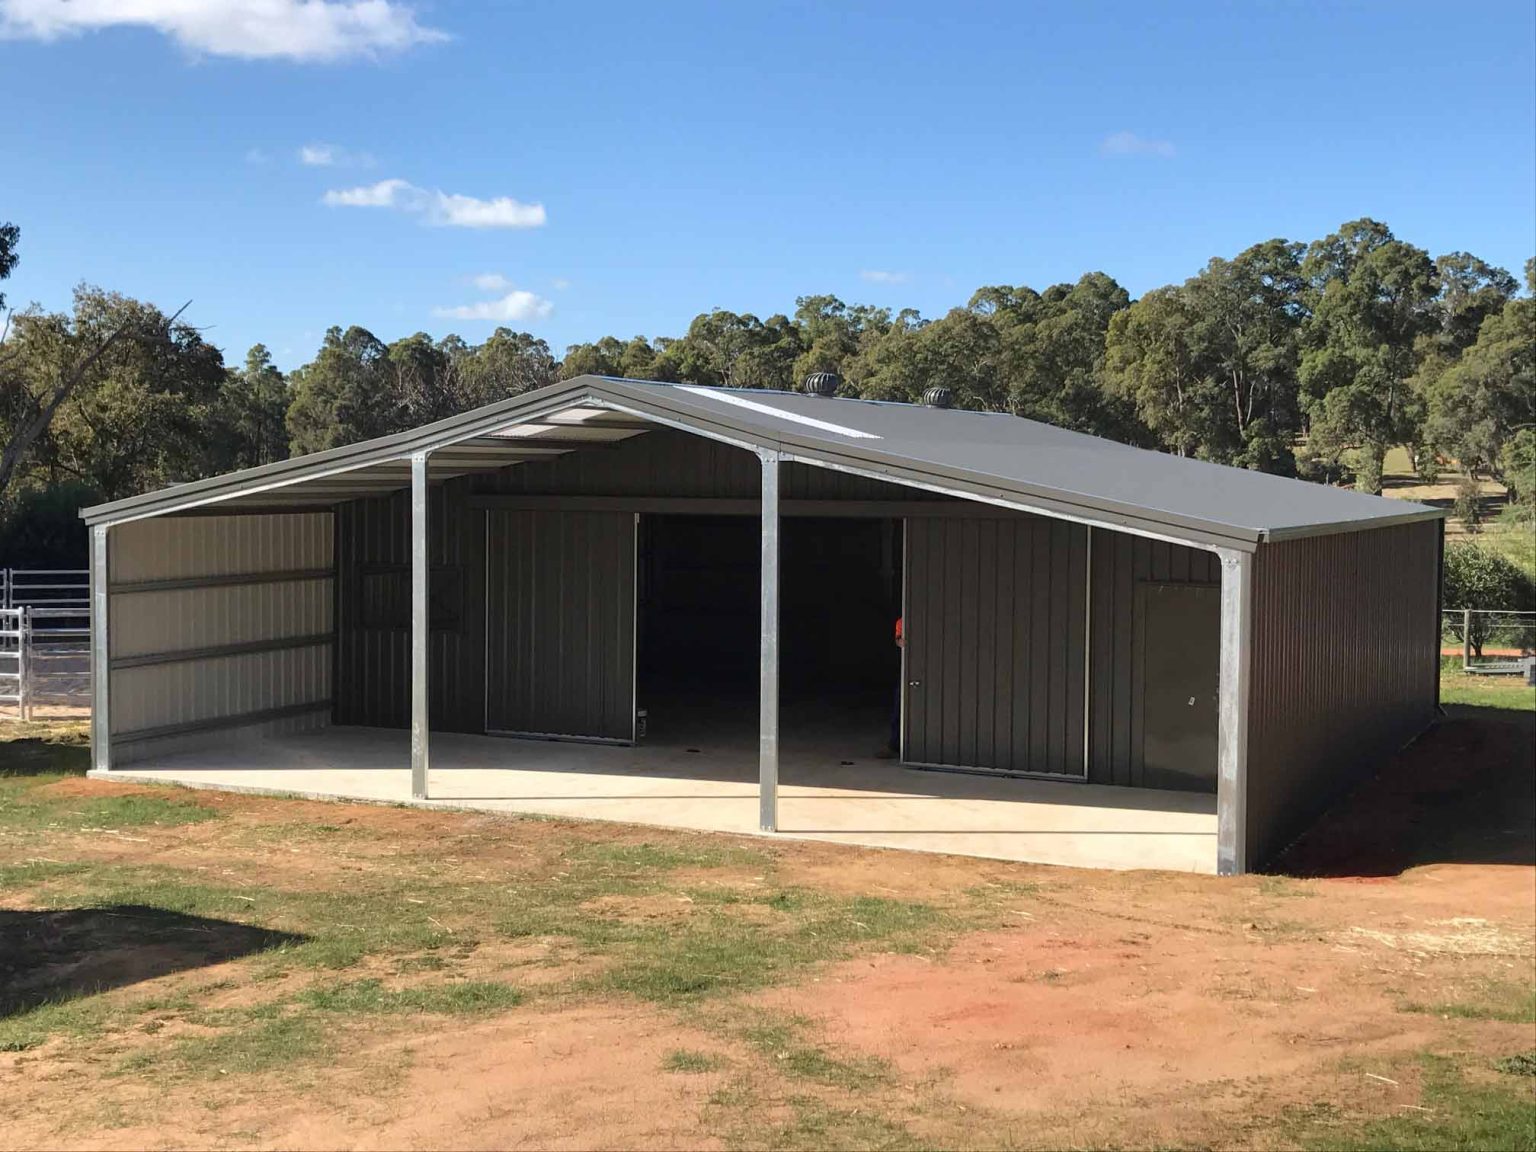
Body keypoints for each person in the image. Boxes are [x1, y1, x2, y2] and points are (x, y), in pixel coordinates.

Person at [878, 615, 903, 758]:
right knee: (898, 710)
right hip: (907, 671)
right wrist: (900, 641)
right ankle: (894, 744)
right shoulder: (901, 621)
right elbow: (898, 640)